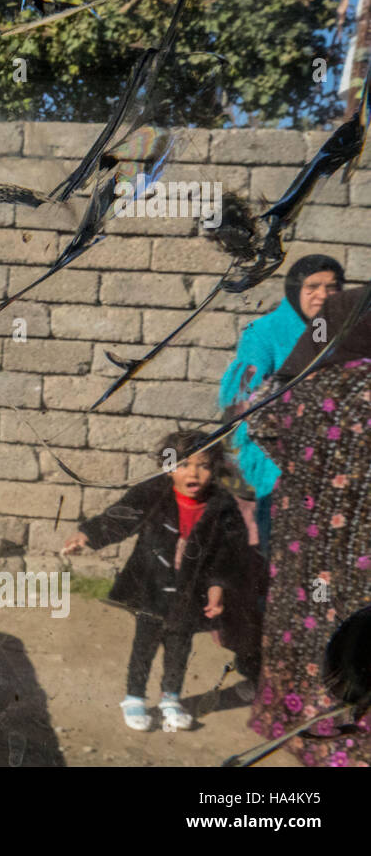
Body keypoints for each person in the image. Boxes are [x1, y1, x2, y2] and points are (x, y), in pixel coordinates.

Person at [245, 285, 371, 766]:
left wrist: (310, 471)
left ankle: (302, 731)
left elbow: (258, 422)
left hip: (307, 540)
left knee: (309, 633)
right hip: (361, 553)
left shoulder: (304, 380)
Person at [63, 432, 252, 732]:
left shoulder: (222, 506)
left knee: (179, 648)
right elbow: (120, 517)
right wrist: (88, 535)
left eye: (203, 465)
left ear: (214, 469)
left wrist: (217, 591)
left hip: (191, 594)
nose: (193, 472)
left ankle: (171, 698)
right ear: (167, 467)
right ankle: (134, 697)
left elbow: (228, 555)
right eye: (183, 464)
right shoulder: (154, 492)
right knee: (144, 646)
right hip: (151, 587)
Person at [218, 255, 344, 555]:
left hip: (337, 464)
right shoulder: (266, 333)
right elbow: (241, 397)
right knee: (281, 557)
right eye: (312, 287)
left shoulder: (350, 330)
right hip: (281, 464)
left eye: (332, 287)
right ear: (294, 289)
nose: (323, 296)